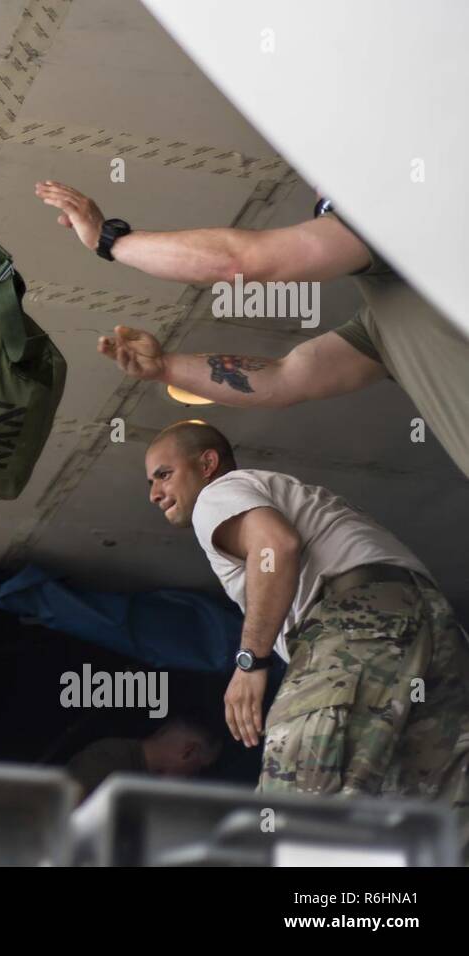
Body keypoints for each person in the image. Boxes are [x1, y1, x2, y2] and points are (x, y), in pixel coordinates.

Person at [143, 420, 469, 853]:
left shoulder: (217, 495)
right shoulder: (294, 494)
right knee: (438, 821)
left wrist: (250, 662)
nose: (154, 494)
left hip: (358, 624)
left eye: (163, 474)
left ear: (206, 464)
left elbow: (275, 546)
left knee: (296, 815)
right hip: (434, 629)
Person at [34, 180, 469, 479]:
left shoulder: (399, 222)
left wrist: (111, 241)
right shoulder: (386, 324)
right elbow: (283, 379)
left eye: (328, 203)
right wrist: (167, 367)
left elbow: (241, 262)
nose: (324, 211)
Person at [67, 717, 221, 803]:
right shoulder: (110, 756)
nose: (191, 779)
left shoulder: (133, 769)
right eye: (197, 769)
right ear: (188, 752)